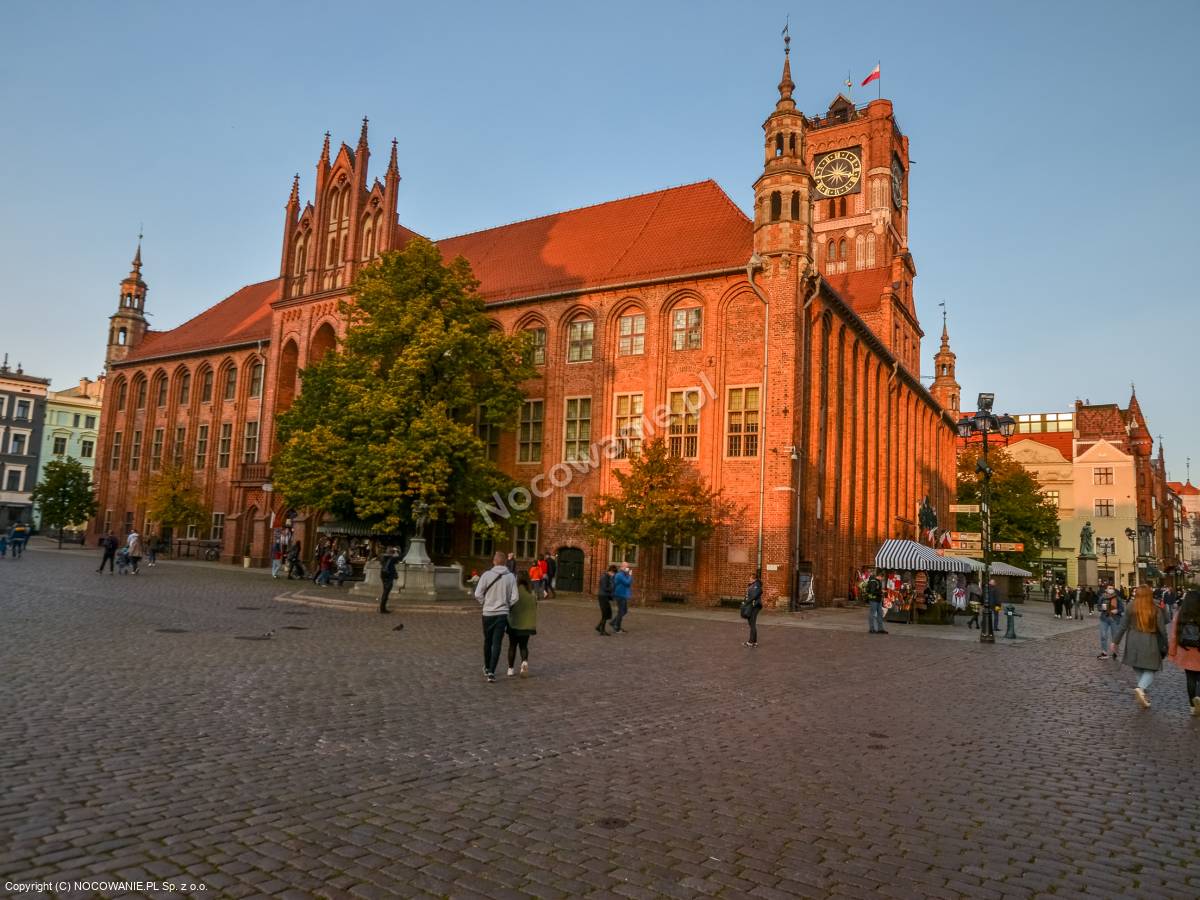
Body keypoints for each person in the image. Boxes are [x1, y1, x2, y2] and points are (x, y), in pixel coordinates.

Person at [1110, 584, 1168, 709]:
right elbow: (1162, 628)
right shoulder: (1155, 607)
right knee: (1152, 669)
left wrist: (1115, 641)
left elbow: (1122, 626)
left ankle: (1142, 693)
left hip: (1133, 640)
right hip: (1150, 641)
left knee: (1138, 667)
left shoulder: (1131, 606)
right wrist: (1166, 645)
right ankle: (1141, 689)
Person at [476, 551, 518, 682]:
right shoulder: (510, 577)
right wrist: (506, 605)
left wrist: (485, 602)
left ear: (494, 561)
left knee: (487, 641)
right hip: (502, 614)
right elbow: (515, 597)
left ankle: (487, 666)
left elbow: (478, 594)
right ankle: (492, 672)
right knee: (497, 643)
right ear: (505, 562)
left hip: (488, 613)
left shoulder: (486, 575)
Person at [1167, 589, 1200, 716]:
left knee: (1190, 678)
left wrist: (1172, 652)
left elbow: (1174, 634)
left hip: (1186, 650)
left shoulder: (1181, 614)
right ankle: (1198, 697)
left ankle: (1192, 706)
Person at [506, 571, 538, 677]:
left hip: (514, 623)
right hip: (527, 624)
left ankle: (510, 668)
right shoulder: (532, 594)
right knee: (524, 646)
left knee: (512, 646)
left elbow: (509, 607)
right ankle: (524, 662)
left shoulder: (514, 592)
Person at [1097, 586, 1123, 660]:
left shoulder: (1117, 598)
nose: (1111, 590)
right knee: (1103, 636)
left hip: (1114, 619)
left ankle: (1115, 652)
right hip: (1104, 619)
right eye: (1109, 588)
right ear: (1106, 589)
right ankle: (1104, 652)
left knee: (1115, 636)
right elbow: (1098, 607)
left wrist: (1117, 611)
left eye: (1112, 588)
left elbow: (1122, 608)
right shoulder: (1102, 597)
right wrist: (1102, 608)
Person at [744, 571, 763, 647]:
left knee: (752, 623)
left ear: (754, 579)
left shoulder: (757, 585)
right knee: (752, 624)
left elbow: (755, 595)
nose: (749, 579)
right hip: (752, 605)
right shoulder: (752, 585)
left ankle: (751, 642)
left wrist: (746, 602)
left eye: (751, 578)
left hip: (755, 606)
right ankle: (754, 642)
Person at [612, 563, 633, 633]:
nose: (628, 568)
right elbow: (627, 583)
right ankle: (617, 627)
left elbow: (629, 583)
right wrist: (629, 575)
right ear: (622, 567)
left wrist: (628, 575)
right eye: (627, 567)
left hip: (623, 595)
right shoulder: (620, 575)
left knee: (624, 611)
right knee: (621, 611)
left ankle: (614, 622)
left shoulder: (624, 574)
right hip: (620, 595)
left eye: (628, 567)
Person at [596, 564, 617, 636]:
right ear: (611, 571)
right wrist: (612, 587)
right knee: (605, 614)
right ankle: (602, 630)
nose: (613, 575)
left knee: (607, 614)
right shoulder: (605, 577)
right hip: (603, 597)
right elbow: (605, 588)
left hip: (605, 597)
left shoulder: (607, 577)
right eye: (613, 573)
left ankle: (599, 627)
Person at [864, 568, 886, 634]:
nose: (882, 579)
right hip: (873, 600)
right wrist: (881, 592)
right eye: (882, 577)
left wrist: (880, 592)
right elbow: (872, 591)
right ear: (879, 576)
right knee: (872, 614)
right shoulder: (873, 581)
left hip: (878, 600)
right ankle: (872, 629)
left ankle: (880, 629)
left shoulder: (878, 581)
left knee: (880, 614)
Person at [380, 548, 399, 614]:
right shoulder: (391, 558)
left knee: (385, 591)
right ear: (391, 553)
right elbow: (397, 556)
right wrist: (396, 550)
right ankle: (382, 609)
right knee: (386, 592)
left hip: (383, 575)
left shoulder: (383, 557)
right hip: (389, 576)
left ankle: (382, 608)